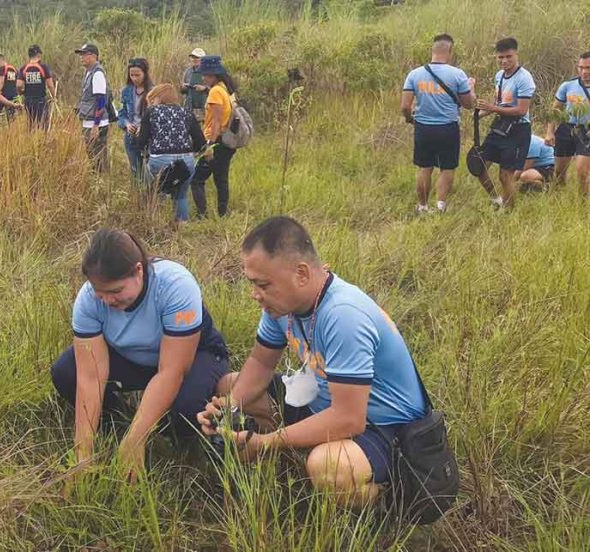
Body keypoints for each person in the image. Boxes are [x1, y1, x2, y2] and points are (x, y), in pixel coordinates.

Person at [197, 216, 428, 507]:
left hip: (385, 429)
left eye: (263, 284)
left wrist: (266, 443)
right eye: (252, 283)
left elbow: (349, 418)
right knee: (230, 386)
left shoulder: (343, 314)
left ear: (302, 274)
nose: (255, 295)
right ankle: (280, 455)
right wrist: (226, 409)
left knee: (328, 467)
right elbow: (260, 363)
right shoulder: (280, 307)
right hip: (324, 400)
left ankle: (391, 500)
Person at [51, 229, 229, 477]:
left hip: (193, 356)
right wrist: (82, 456)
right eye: (99, 293)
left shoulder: (176, 286)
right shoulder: (88, 301)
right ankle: (120, 424)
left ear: (139, 270)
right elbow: (90, 378)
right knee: (66, 371)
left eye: (115, 291)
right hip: (135, 359)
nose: (107, 301)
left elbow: (172, 372)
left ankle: (179, 438)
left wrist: (138, 437)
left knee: (183, 409)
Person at [400, 34, 476, 214]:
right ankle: (440, 205)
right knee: (447, 167)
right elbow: (468, 104)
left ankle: (422, 206)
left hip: (423, 128)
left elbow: (404, 106)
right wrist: (471, 87)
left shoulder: (415, 74)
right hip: (448, 128)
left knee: (425, 167)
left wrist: (410, 119)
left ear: (432, 50)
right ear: (450, 51)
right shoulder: (458, 75)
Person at [474, 37, 536, 208]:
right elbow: (500, 103)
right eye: (500, 58)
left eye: (508, 56)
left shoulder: (524, 78)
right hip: (500, 126)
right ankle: (496, 200)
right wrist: (479, 114)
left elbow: (521, 110)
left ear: (516, 54)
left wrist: (492, 108)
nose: (504, 61)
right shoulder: (499, 76)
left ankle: (509, 212)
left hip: (518, 130)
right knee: (478, 166)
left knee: (505, 175)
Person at [135, 84, 205, 223]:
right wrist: (192, 152)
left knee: (155, 191)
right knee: (181, 196)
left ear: (158, 98)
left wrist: (138, 140)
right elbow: (200, 141)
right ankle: (181, 227)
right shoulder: (186, 112)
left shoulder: (152, 112)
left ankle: (153, 222)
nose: (151, 103)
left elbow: (141, 142)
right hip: (186, 160)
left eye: (152, 99)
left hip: (160, 159)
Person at [191, 56, 238, 218]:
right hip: (226, 141)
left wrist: (209, 145)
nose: (203, 78)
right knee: (221, 179)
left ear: (214, 75)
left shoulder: (215, 92)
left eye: (206, 75)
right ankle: (222, 213)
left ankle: (202, 215)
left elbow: (216, 122)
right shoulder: (225, 88)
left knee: (196, 179)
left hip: (216, 141)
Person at [545, 51, 590, 198]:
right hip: (567, 128)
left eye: (588, 68)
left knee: (582, 170)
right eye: (581, 67)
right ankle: (558, 199)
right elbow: (555, 109)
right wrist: (550, 132)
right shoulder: (568, 85)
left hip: (586, 131)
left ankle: (582, 203)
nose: (584, 72)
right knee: (559, 172)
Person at [75, 43, 111, 172]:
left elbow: (101, 100)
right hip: (89, 121)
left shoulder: (97, 73)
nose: (81, 57)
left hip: (96, 123)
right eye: (81, 54)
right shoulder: (89, 72)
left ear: (94, 56)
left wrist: (96, 125)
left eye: (84, 54)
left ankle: (102, 186)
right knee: (92, 158)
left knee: (98, 159)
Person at [117, 58, 153, 183]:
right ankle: (138, 199)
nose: (134, 78)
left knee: (151, 173)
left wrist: (144, 128)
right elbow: (121, 114)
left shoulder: (153, 91)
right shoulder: (126, 91)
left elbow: (157, 116)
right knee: (136, 172)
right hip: (131, 136)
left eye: (138, 75)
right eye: (132, 75)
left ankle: (153, 199)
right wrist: (126, 124)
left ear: (145, 74)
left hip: (150, 138)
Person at [17, 45, 56, 130]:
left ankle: (31, 140)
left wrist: (21, 93)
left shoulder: (24, 68)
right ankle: (41, 141)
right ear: (38, 55)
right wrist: (53, 96)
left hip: (28, 100)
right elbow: (50, 85)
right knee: (43, 124)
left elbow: (19, 85)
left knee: (30, 124)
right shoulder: (43, 67)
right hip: (40, 100)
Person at [181, 48, 208, 122]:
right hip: (190, 107)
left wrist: (204, 88)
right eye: (192, 57)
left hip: (205, 108)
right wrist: (184, 87)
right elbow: (182, 91)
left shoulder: (208, 72)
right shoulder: (187, 72)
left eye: (197, 57)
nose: (194, 59)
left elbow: (215, 89)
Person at [0, 54, 20, 120]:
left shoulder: (3, 68)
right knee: (12, 117)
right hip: (13, 94)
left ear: (1, 60)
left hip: (4, 95)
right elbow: (17, 83)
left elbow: (1, 82)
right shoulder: (14, 69)